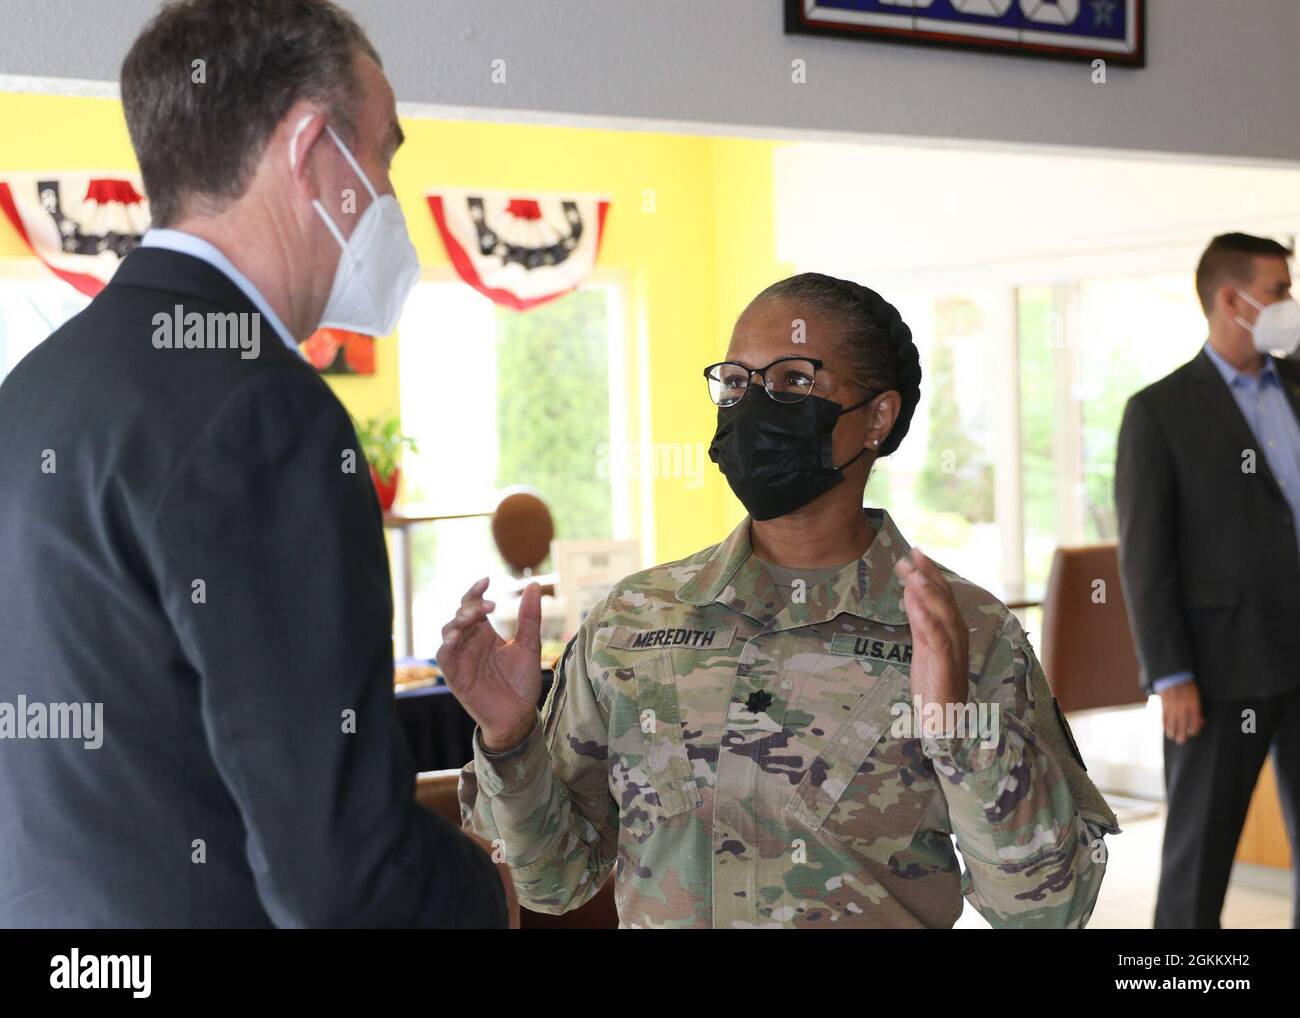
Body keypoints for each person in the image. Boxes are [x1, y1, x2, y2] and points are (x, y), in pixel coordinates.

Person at [0, 0, 506, 927]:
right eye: (385, 153)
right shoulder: (262, 412)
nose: (389, 193)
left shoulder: (32, 389)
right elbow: (337, 872)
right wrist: (490, 896)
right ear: (313, 150)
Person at [440, 272, 1118, 928]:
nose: (754, 406)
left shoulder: (965, 631)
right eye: (736, 382)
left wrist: (960, 733)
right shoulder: (633, 621)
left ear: (878, 417)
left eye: (793, 381)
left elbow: (1048, 911)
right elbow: (553, 883)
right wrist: (509, 739)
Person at [1116, 232, 1300, 929]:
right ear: (1233, 299)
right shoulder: (1160, 412)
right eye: (1280, 290)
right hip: (1221, 670)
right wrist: (1170, 675)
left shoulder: (1297, 383)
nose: (1290, 303)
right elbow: (1145, 556)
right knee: (1200, 858)